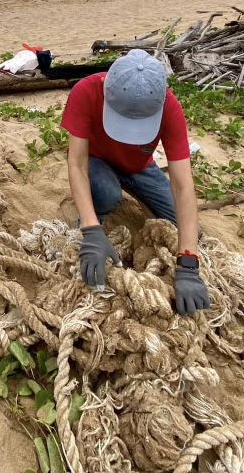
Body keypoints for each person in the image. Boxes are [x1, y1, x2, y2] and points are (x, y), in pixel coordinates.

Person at [60, 49, 210, 316]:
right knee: (107, 195)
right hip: (95, 161)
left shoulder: (169, 106)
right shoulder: (87, 90)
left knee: (189, 230)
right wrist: (92, 230)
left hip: (138, 166)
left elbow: (183, 186)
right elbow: (77, 163)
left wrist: (188, 263)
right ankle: (92, 209)